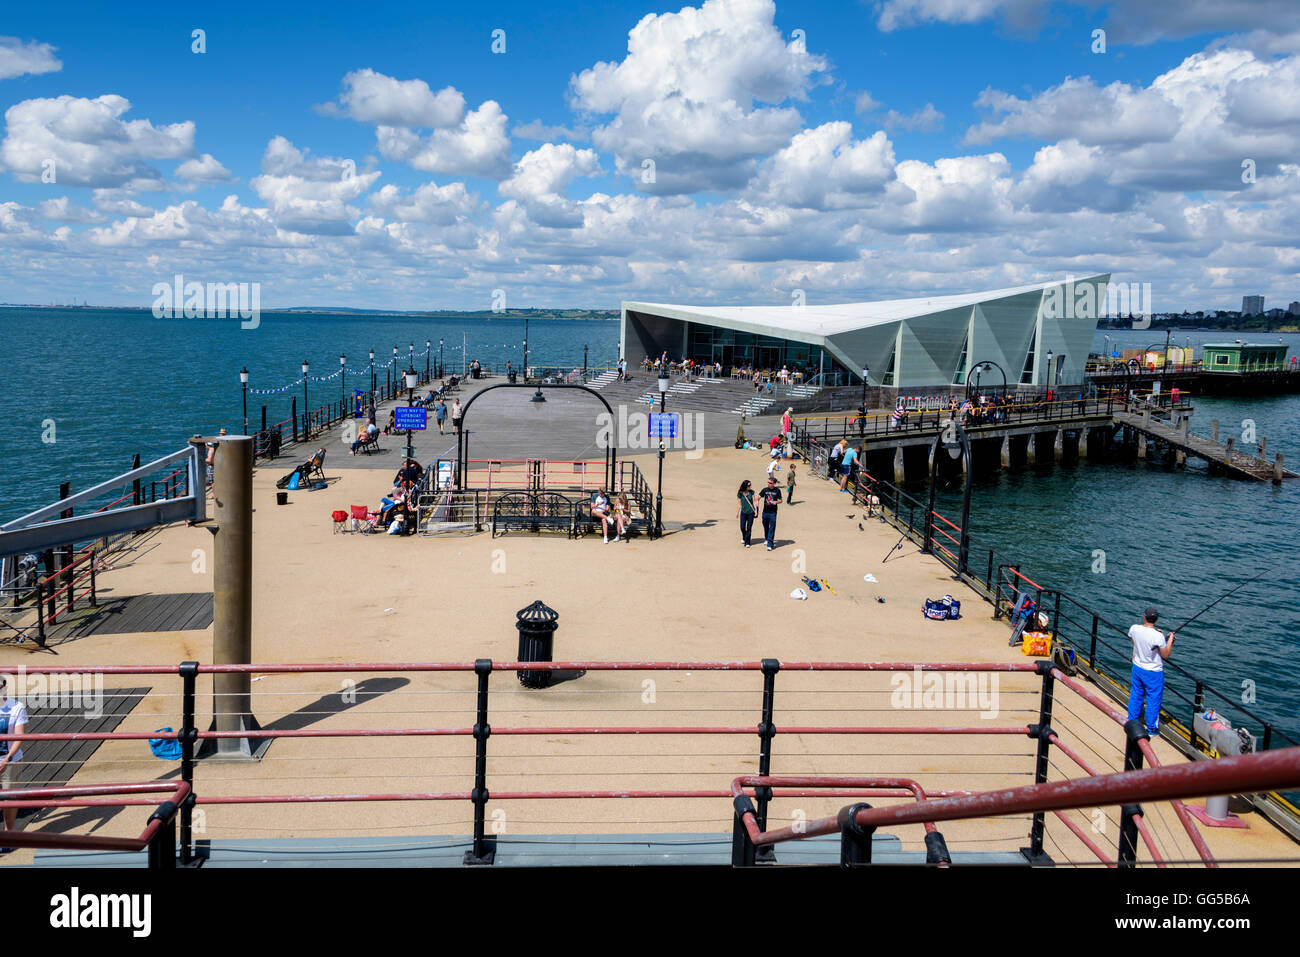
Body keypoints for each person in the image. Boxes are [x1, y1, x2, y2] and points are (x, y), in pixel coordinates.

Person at [1127, 607, 1175, 735]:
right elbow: (1165, 655)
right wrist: (1169, 640)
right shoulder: (1158, 636)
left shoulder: (1134, 629)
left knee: (1136, 694)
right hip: (1153, 673)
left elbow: (1135, 643)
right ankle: (1152, 729)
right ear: (1156, 619)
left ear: (1144, 617)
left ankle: (1131, 722)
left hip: (1137, 668)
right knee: (1153, 699)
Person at [0, 675, 28, 850]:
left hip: (9, 761)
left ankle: (8, 835)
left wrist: (7, 759)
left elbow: (19, 737)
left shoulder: (17, 707)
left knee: (9, 798)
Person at [758, 476, 782, 551]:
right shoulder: (765, 490)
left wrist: (776, 502)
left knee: (772, 528)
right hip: (765, 512)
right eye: (768, 482)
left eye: (770, 483)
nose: (768, 484)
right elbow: (758, 497)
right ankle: (767, 538)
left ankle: (770, 544)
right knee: (765, 526)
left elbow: (780, 500)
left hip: (773, 513)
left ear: (774, 484)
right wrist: (756, 502)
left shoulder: (777, 490)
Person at [736, 479, 756, 547]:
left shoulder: (752, 492)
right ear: (745, 486)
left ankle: (747, 542)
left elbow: (754, 502)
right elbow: (739, 504)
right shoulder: (740, 493)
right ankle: (744, 537)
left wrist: (755, 510)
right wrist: (737, 512)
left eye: (750, 485)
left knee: (749, 527)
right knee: (742, 527)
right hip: (743, 512)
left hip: (751, 512)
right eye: (748, 485)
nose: (750, 486)